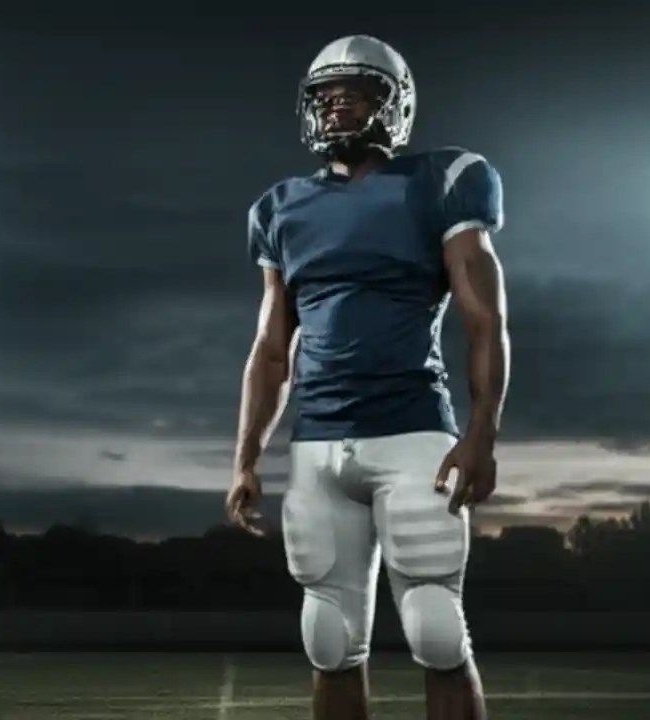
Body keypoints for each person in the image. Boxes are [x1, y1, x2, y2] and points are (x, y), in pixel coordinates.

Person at [226, 35, 510, 720]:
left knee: (436, 629)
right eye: (325, 95)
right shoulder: (278, 207)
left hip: (413, 432)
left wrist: (481, 434)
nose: (337, 106)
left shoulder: (444, 177)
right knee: (329, 637)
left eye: (356, 93)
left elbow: (485, 319)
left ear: (395, 104)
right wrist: (245, 458)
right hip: (318, 445)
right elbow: (270, 348)